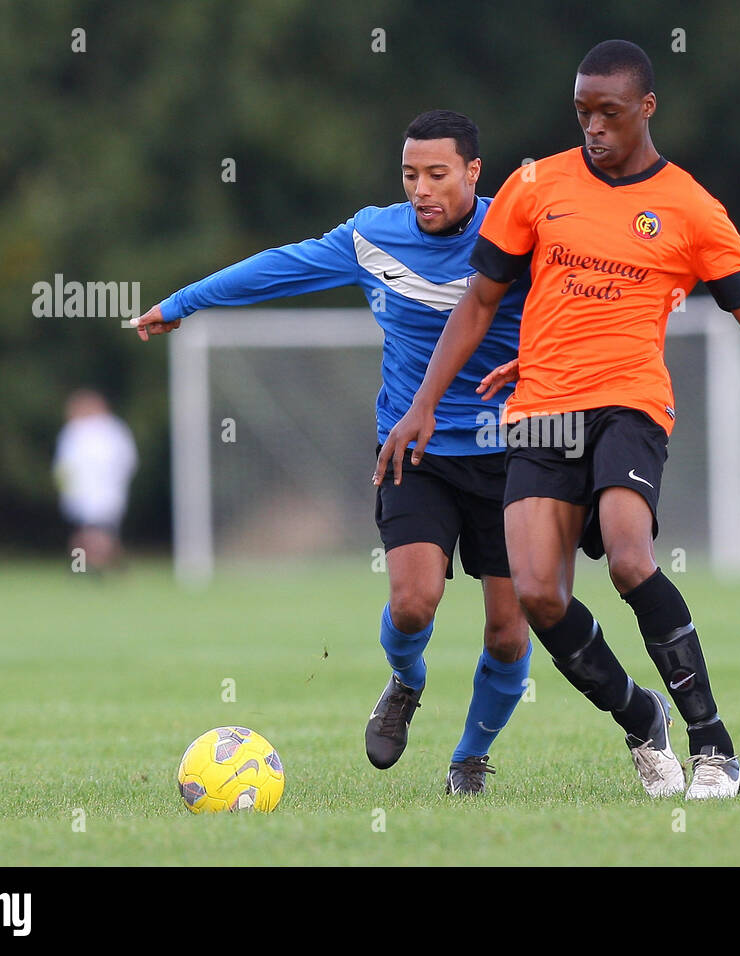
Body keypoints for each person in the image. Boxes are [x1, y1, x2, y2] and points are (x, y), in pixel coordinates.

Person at [376, 42, 740, 799]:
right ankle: (641, 717)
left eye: (608, 113)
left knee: (630, 559)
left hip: (629, 406)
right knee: (538, 595)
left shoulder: (693, 208)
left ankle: (715, 747)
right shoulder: (538, 185)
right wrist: (424, 405)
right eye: (581, 113)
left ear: (646, 109)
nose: (592, 127)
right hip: (540, 411)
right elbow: (481, 300)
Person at [132, 110, 531, 795]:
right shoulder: (374, 235)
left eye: (438, 174)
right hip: (416, 447)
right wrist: (184, 302)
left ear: (474, 172)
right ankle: (407, 680)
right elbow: (280, 268)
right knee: (412, 604)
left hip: (513, 455)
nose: (422, 189)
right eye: (410, 174)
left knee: (506, 634)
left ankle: (469, 758)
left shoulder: (520, 236)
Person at [54, 389, 138, 573]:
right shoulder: (74, 431)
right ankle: (84, 568)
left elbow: (125, 461)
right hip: (80, 494)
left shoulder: (111, 430)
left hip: (104, 493)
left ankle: (98, 567)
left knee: (98, 533)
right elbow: (64, 466)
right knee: (86, 533)